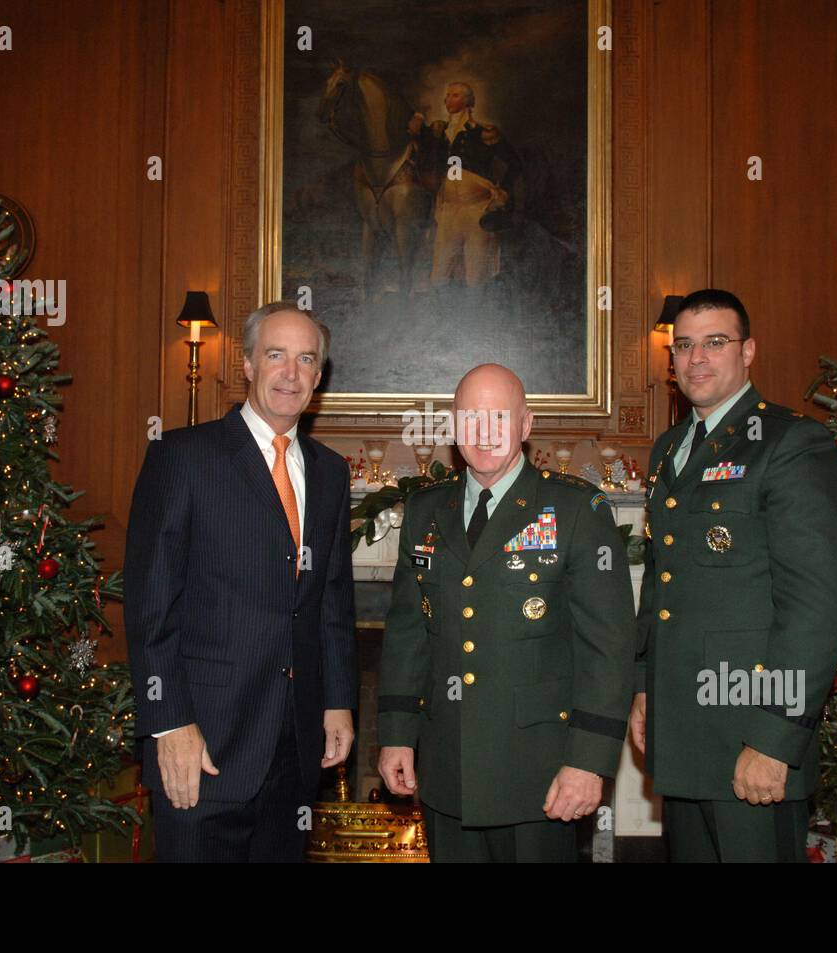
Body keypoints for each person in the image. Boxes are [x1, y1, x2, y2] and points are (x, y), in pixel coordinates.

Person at [124, 301, 357, 862]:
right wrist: (169, 722)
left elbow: (330, 599)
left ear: (319, 378)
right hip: (202, 742)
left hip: (295, 748)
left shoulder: (330, 471)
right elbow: (149, 603)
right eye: (275, 355)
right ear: (248, 365)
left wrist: (338, 702)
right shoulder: (182, 456)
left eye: (306, 360)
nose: (291, 373)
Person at [628, 289, 837, 863]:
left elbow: (818, 606)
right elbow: (661, 585)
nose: (695, 358)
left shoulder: (791, 443)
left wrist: (775, 739)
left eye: (714, 342)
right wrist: (644, 688)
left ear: (748, 351)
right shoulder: (669, 449)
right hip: (683, 736)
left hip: (750, 739)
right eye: (683, 346)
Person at [378, 363, 635, 862]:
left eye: (499, 417)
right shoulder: (426, 511)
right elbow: (408, 634)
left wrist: (588, 762)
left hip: (539, 775)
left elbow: (609, 648)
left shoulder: (576, 510)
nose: (484, 432)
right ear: (453, 427)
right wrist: (395, 736)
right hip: (447, 768)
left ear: (526, 424)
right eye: (470, 417)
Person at [411, 82, 520, 288]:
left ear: (468, 101)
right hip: (448, 209)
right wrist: (418, 119)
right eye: (447, 95)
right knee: (440, 276)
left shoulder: (484, 132)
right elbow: (422, 145)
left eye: (455, 95)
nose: (448, 100)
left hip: (476, 209)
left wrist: (502, 192)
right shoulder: (440, 132)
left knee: (475, 276)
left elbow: (514, 163)